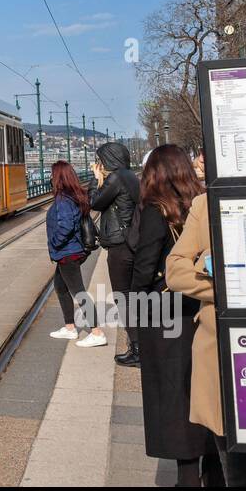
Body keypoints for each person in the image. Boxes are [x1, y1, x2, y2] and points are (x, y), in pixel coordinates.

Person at [165, 193, 246, 487]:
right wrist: (232, 290)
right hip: (221, 356)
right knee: (236, 468)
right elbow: (174, 269)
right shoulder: (204, 202)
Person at [128, 144, 219, 486]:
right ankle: (215, 469)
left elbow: (146, 267)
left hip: (166, 316)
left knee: (174, 397)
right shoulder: (201, 203)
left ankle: (186, 478)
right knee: (206, 391)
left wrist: (134, 312)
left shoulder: (155, 210)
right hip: (201, 311)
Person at [88, 142, 142, 366]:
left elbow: (95, 202)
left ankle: (137, 350)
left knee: (124, 298)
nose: (100, 164)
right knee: (133, 297)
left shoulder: (115, 178)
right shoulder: (130, 176)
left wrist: (95, 179)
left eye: (101, 159)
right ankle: (140, 346)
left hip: (120, 245)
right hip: (131, 242)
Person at [46, 160, 106, 348]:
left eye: (51, 174)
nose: (49, 177)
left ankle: (97, 332)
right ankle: (70, 327)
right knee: (61, 287)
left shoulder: (63, 199)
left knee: (79, 292)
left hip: (67, 252)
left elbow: (66, 226)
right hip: (70, 251)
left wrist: (55, 243)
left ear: (58, 177)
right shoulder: (74, 195)